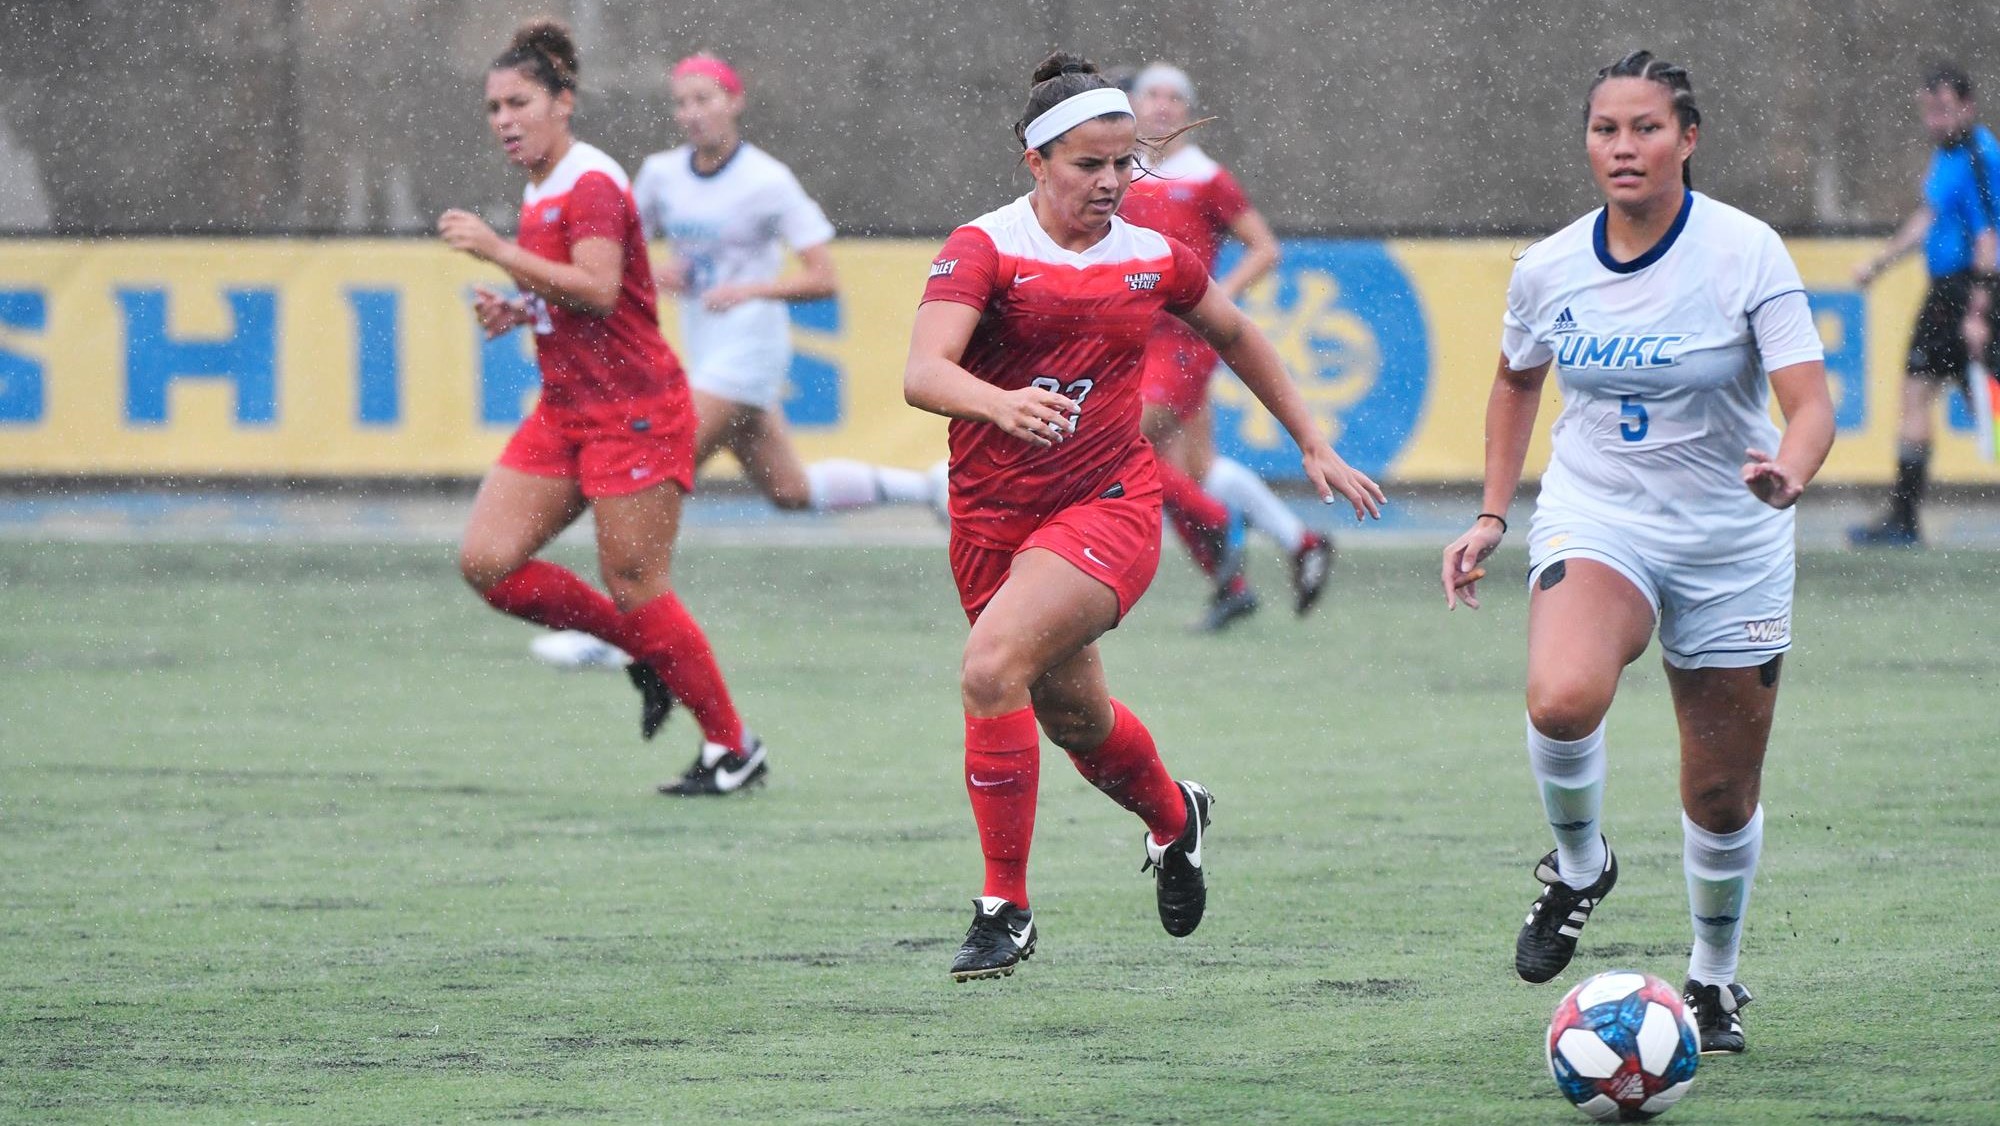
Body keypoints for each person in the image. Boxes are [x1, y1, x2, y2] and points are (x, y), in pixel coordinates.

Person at [907, 52, 1384, 982]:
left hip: (1109, 504)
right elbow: (924, 372)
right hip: (992, 520)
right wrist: (1000, 403)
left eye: (1124, 163)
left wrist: (1312, 441)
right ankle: (1175, 818)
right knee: (1075, 720)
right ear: (1035, 160)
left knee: (991, 668)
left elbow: (1236, 333)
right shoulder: (984, 247)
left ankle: (1004, 908)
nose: (1111, 181)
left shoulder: (1152, 257)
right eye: (1089, 164)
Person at [1441, 51, 1834, 1053]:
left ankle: (1712, 978)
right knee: (1560, 697)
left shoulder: (1744, 252)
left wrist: (1788, 472)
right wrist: (1490, 516)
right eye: (1605, 129)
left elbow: (1810, 405)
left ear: (1686, 139)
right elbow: (1515, 381)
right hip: (1599, 514)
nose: (1623, 147)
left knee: (1719, 792)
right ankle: (1579, 867)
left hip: (1730, 538)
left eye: (1646, 128)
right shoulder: (1549, 267)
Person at [438, 19, 768, 798]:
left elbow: (597, 287)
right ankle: (644, 650)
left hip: (634, 411)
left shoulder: (588, 181)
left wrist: (496, 251)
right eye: (493, 108)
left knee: (636, 584)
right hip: (566, 410)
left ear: (563, 103)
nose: (504, 120)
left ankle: (733, 748)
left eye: (519, 103)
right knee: (488, 562)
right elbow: (574, 294)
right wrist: (522, 309)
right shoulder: (541, 185)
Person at [530, 51, 941, 675]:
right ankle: (930, 487)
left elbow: (823, 278)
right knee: (790, 491)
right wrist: (656, 271)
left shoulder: (767, 181)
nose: (692, 113)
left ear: (734, 101)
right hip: (707, 350)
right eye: (682, 102)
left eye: (704, 99)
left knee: (648, 472)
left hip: (751, 348)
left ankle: (620, 633)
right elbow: (617, 250)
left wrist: (750, 289)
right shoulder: (661, 175)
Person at [1119, 62, 1336, 631]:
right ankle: (1274, 559)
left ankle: (1220, 528)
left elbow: (1264, 248)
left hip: (1181, 343)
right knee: (1187, 469)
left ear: (1189, 113)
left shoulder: (1206, 178)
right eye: (1152, 94)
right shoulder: (1118, 173)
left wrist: (1215, 297)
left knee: (1120, 446)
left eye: (1174, 97)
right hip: (1133, 343)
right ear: (1133, 104)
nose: (1162, 106)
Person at [1850, 63, 2000, 546]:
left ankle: (1903, 517)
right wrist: (1880, 263)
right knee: (1915, 392)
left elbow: (1989, 239)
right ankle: (1903, 518)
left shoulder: (1980, 157)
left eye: (1945, 110)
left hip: (1972, 292)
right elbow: (1928, 217)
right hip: (1943, 297)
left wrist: (1979, 312)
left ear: (1967, 107)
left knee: (1990, 405)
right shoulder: (1946, 154)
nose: (1935, 120)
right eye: (1929, 111)